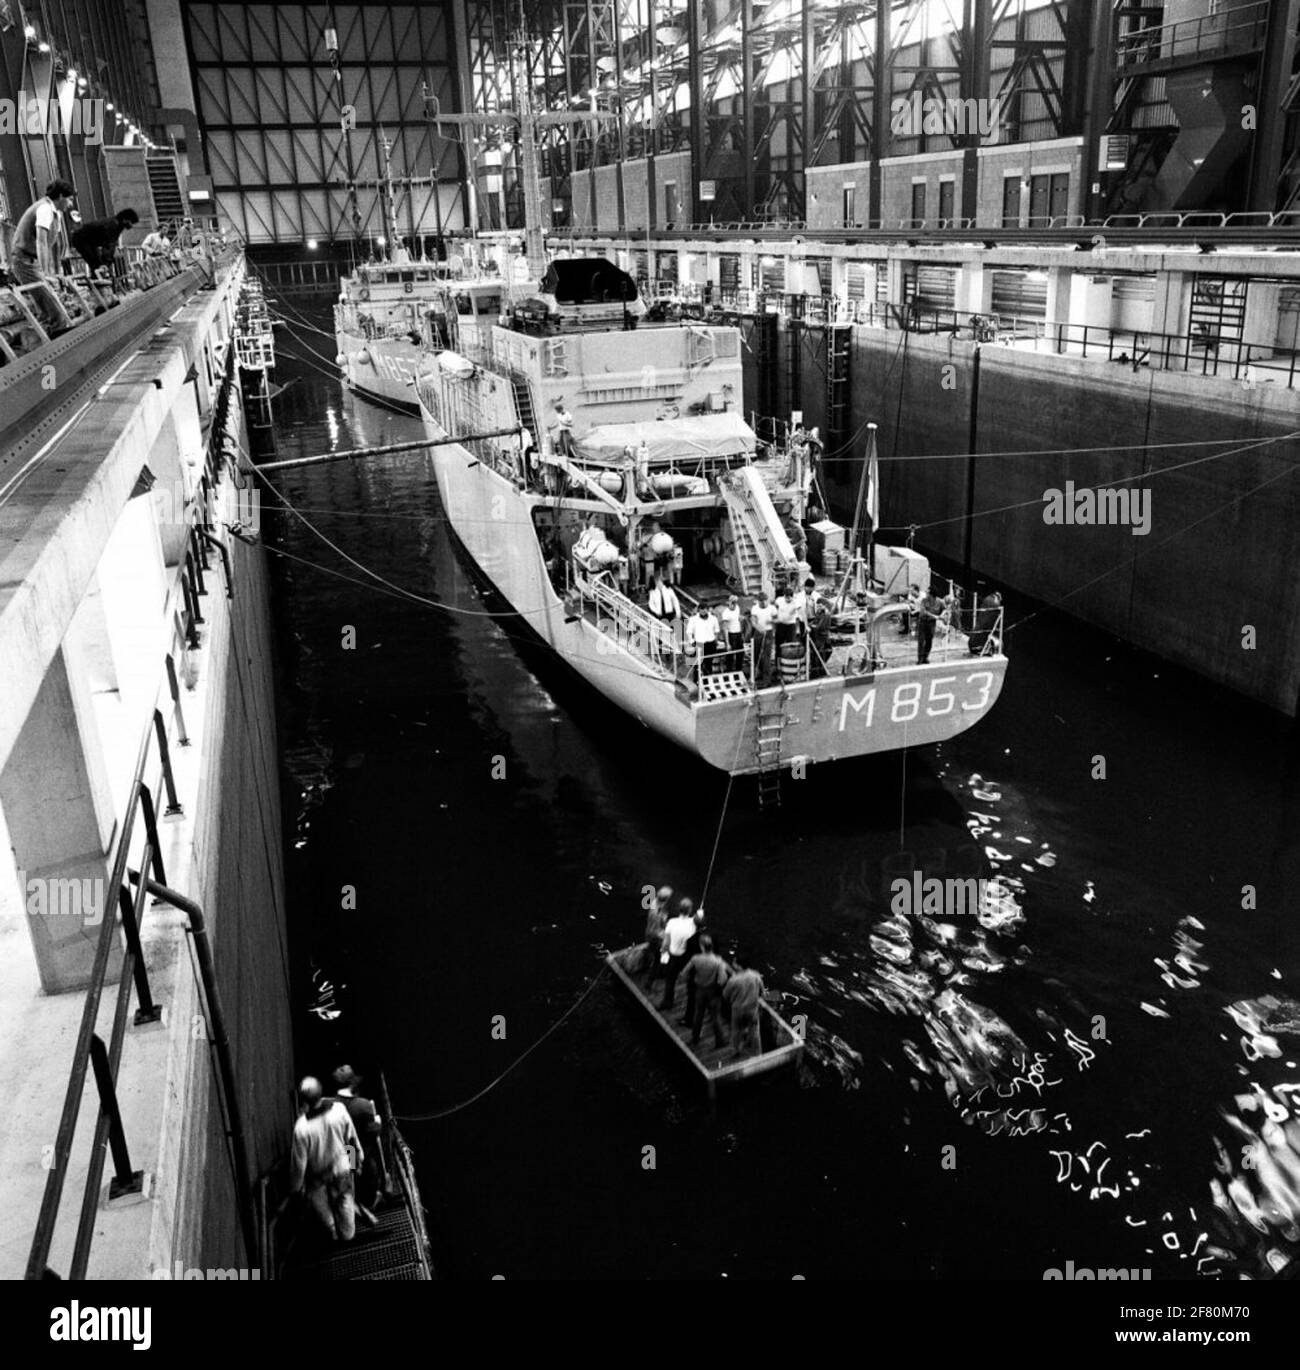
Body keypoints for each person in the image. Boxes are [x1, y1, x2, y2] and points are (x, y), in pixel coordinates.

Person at [289, 1076, 363, 1243]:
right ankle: (347, 1234)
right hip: (342, 1170)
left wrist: (295, 1189)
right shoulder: (339, 1110)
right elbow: (350, 1140)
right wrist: (354, 1166)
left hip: (318, 1177)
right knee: (345, 1205)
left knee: (321, 1206)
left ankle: (331, 1231)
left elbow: (299, 1165)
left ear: (304, 1101)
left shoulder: (301, 1128)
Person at [330, 1065, 384, 1219]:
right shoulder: (364, 1106)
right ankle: (367, 1202)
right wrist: (378, 1124)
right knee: (367, 1165)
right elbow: (373, 1135)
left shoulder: (330, 1106)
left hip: (340, 1160)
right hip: (360, 1163)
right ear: (352, 1084)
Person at [683, 934, 730, 1048]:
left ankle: (695, 1038)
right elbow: (723, 978)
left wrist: (692, 980)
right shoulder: (717, 961)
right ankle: (720, 1041)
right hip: (712, 991)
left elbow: (685, 972)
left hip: (700, 989)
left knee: (698, 1014)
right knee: (715, 1017)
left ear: (702, 947)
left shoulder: (696, 959)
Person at [70, 207, 139, 274]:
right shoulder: (113, 225)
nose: (131, 226)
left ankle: (98, 278)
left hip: (88, 241)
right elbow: (109, 245)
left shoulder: (117, 224)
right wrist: (106, 262)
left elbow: (111, 244)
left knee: (98, 263)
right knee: (96, 264)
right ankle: (98, 280)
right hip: (81, 239)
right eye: (131, 222)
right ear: (125, 219)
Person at [659, 897, 698, 1011]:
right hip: (686, 957)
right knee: (690, 981)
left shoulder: (672, 922)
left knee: (670, 980)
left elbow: (666, 942)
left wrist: (663, 955)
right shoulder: (693, 924)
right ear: (690, 910)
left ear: (679, 909)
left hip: (673, 956)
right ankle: (690, 1007)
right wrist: (699, 914)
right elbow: (698, 921)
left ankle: (667, 1002)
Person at [723, 955, 766, 1059]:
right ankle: (758, 1053)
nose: (733, 964)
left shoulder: (734, 980)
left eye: (734, 963)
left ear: (739, 966)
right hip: (752, 1009)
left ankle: (736, 1050)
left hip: (738, 1009)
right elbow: (762, 992)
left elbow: (725, 995)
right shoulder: (756, 976)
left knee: (737, 1030)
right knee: (755, 1031)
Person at [642, 885, 673, 981]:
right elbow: (657, 929)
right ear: (666, 899)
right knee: (665, 951)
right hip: (655, 936)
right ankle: (659, 973)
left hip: (650, 933)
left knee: (653, 950)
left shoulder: (655, 902)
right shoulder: (658, 913)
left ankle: (651, 963)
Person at [685, 602, 721, 674]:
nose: (703, 611)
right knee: (698, 665)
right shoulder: (693, 619)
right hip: (699, 644)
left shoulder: (713, 619)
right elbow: (689, 632)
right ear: (699, 610)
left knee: (708, 663)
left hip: (710, 644)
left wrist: (715, 641)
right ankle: (697, 681)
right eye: (702, 609)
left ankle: (708, 680)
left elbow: (717, 630)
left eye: (705, 609)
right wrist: (692, 643)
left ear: (707, 610)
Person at [915, 584, 947, 665]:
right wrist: (936, 616)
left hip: (931, 623)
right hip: (922, 622)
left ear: (932, 594)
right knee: (921, 641)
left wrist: (942, 615)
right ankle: (920, 658)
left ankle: (926, 657)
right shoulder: (924, 601)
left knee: (929, 641)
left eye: (928, 592)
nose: (926, 593)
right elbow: (923, 611)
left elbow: (945, 609)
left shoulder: (940, 602)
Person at [749, 592, 776, 685]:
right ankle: (757, 673)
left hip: (768, 632)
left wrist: (772, 630)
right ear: (758, 601)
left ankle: (767, 679)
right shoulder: (755, 608)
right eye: (761, 601)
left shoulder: (772, 608)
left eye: (765, 601)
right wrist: (760, 629)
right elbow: (753, 622)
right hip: (759, 632)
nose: (763, 603)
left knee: (766, 656)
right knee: (756, 653)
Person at [808, 594, 833, 679]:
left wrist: (811, 627)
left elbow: (819, 626)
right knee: (815, 654)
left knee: (820, 653)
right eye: (817, 605)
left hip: (822, 637)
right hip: (817, 636)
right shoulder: (819, 612)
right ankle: (817, 670)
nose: (818, 607)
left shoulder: (826, 615)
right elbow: (815, 621)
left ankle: (818, 671)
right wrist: (810, 624)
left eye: (820, 605)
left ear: (824, 605)